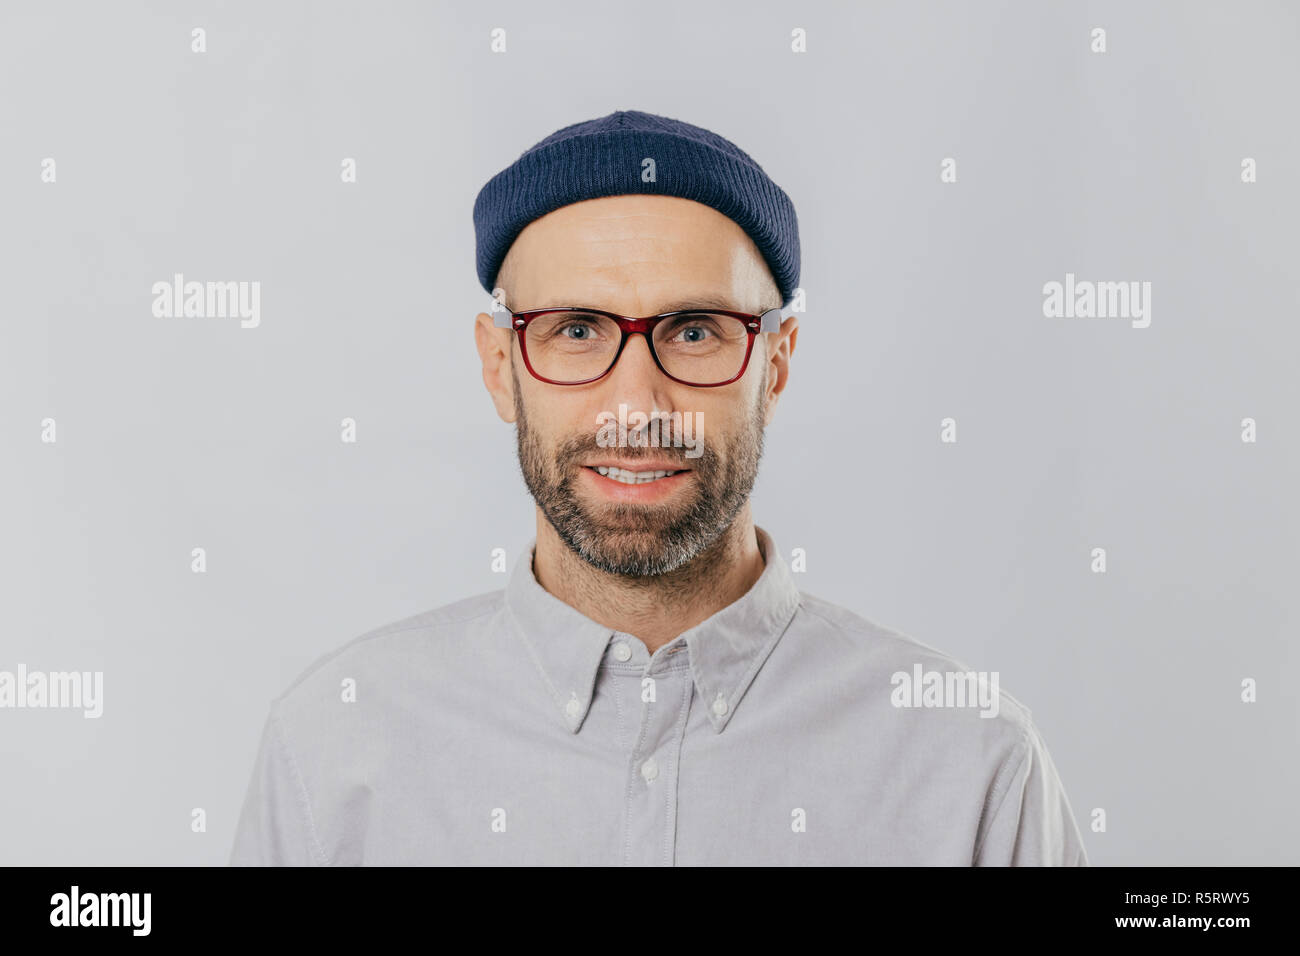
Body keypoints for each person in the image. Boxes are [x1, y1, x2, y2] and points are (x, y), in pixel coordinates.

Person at [230, 109, 1088, 865]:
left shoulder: (972, 768)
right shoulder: (334, 751)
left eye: (694, 331)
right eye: (574, 329)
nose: (638, 406)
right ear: (500, 370)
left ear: (776, 367)